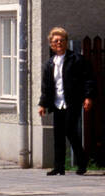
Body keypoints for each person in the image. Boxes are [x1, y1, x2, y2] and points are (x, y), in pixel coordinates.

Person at [37, 27, 96, 175]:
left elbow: (88, 79)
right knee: (58, 135)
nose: (59, 43)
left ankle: (82, 163)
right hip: (57, 103)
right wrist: (42, 104)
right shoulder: (50, 63)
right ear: (51, 43)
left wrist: (88, 96)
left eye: (62, 40)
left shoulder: (76, 59)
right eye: (56, 41)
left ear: (66, 42)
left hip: (72, 101)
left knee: (70, 131)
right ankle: (59, 167)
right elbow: (46, 86)